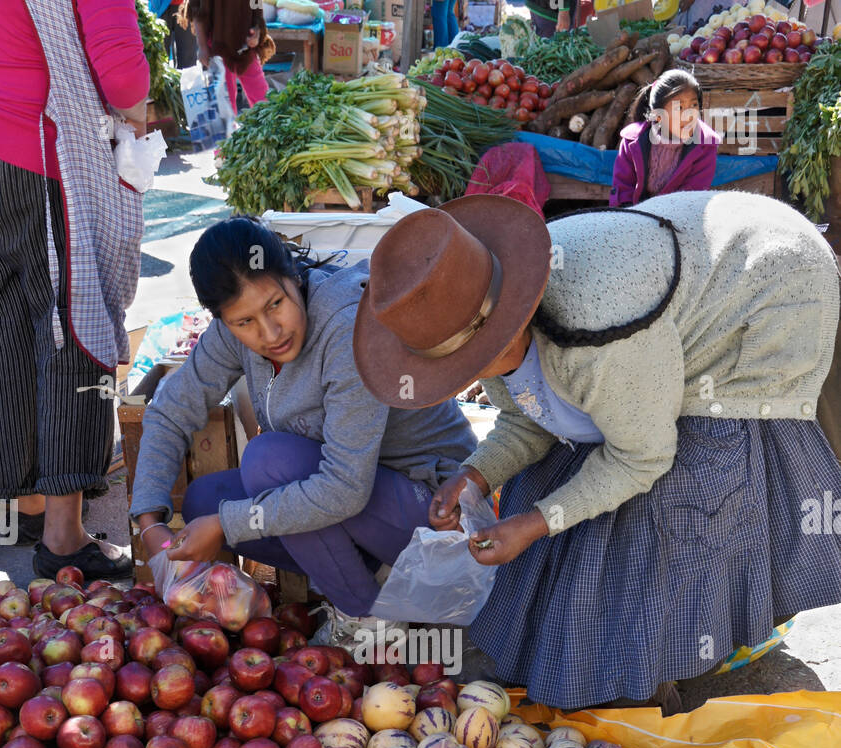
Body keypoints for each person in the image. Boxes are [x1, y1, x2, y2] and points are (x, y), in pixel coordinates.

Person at [353, 192, 841, 712]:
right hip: (663, 297)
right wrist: (476, 476)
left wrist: (533, 525)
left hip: (767, 283)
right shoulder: (489, 324)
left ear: (503, 332)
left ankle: (656, 669)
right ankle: (590, 654)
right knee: (558, 481)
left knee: (678, 496)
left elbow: (642, 457)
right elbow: (531, 417)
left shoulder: (599, 331)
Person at [129, 219, 477, 628]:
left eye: (275, 304)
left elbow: (344, 488)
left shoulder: (347, 328)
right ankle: (367, 572)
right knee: (204, 501)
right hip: (362, 507)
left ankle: (367, 620)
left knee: (267, 462)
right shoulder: (230, 333)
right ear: (223, 321)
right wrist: (149, 521)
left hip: (434, 512)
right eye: (245, 322)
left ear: (294, 276)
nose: (270, 332)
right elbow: (172, 410)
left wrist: (228, 523)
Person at [0, 0, 149, 580]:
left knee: (6, 326)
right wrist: (137, 117)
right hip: (41, 153)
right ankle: (64, 537)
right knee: (73, 328)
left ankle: (24, 505)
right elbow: (123, 74)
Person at [610, 70, 719, 208]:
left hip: (679, 218)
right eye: (679, 107)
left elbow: (691, 196)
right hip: (635, 214)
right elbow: (623, 187)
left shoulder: (705, 145)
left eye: (694, 105)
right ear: (658, 115)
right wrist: (628, 215)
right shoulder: (633, 141)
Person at [188, 0, 274, 113]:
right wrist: (202, 46)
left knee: (261, 96)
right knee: (225, 102)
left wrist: (257, 32)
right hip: (217, 45)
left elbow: (256, 7)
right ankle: (229, 130)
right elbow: (196, 10)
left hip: (245, 46)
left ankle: (268, 126)